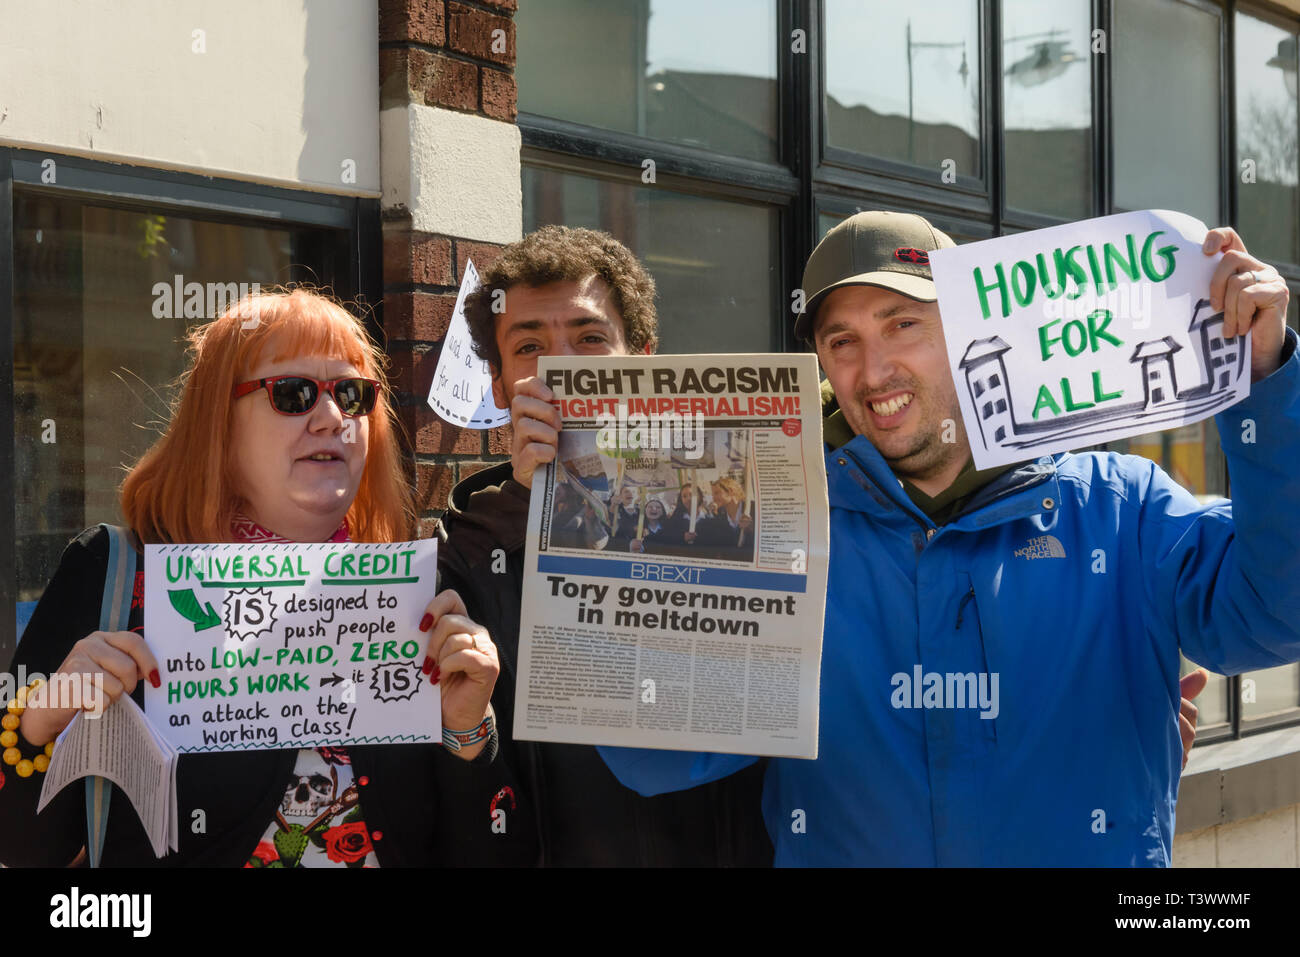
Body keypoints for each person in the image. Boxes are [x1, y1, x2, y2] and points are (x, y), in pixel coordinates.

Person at [598, 210, 1284, 866]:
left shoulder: (1119, 509)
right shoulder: (769, 528)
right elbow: (653, 755)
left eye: (904, 325)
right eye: (843, 342)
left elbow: (1275, 613)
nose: (873, 372)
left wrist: (1270, 383)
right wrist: (593, 505)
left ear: (971, 331)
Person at [0, 289, 501, 867]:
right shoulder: (116, 576)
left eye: (352, 394)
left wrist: (469, 732)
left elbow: (492, 850)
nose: (332, 417)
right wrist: (44, 718)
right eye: (293, 394)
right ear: (220, 424)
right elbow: (20, 846)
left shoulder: (419, 592)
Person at [437, 225, 772, 866]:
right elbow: (463, 797)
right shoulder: (461, 562)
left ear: (643, 360)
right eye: (530, 346)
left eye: (590, 338)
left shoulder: (728, 520)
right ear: (501, 387)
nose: (563, 368)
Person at [693, 477, 755, 562]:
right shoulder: (720, 518)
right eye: (713, 494)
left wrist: (752, 528)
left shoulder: (753, 509)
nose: (713, 498)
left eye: (717, 493)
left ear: (730, 491)